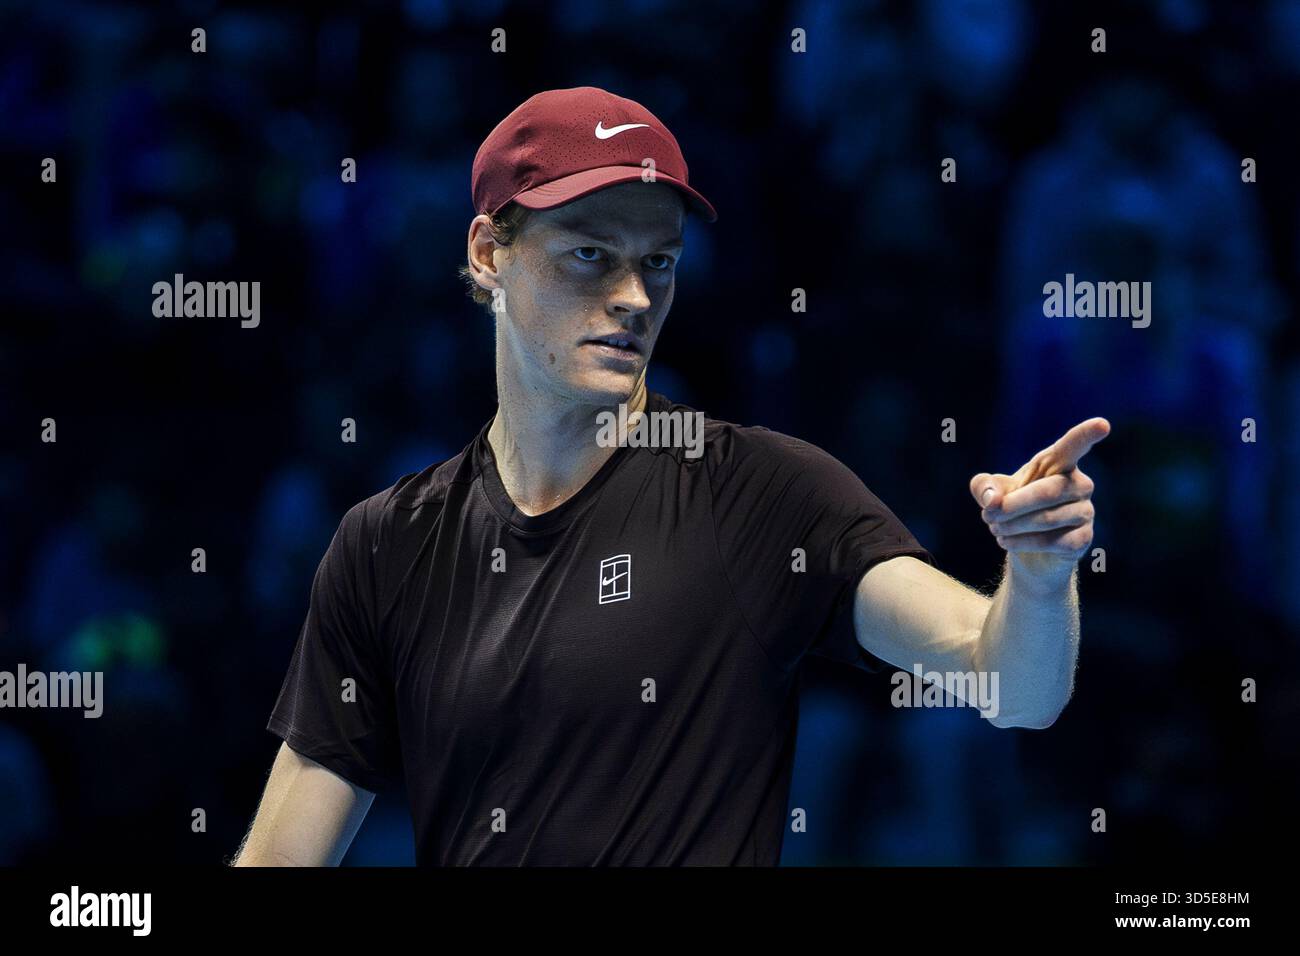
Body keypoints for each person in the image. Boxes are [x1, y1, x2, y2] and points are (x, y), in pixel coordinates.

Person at [233, 86, 1106, 866]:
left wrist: (1038, 575)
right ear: (489, 255)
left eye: (658, 260)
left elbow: (1015, 690)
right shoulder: (387, 544)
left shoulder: (765, 495)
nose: (635, 296)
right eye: (590, 255)